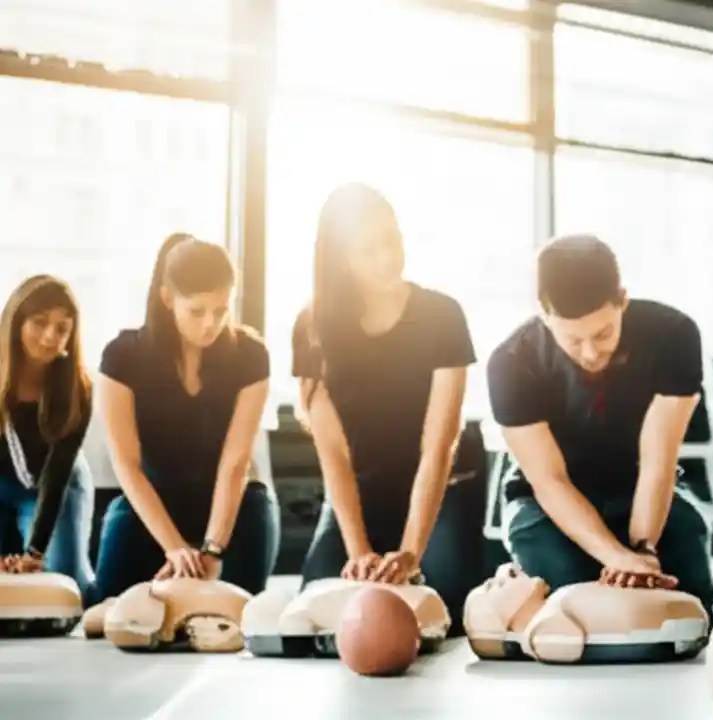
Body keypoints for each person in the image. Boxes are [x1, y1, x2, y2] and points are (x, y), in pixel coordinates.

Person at [487, 234, 713, 614]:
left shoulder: (674, 336)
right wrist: (615, 556)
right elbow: (549, 480)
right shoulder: (510, 363)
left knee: (688, 596)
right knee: (572, 595)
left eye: (603, 333)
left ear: (622, 300)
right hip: (543, 500)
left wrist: (642, 553)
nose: (591, 352)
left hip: (636, 487)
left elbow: (658, 462)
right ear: (545, 316)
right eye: (573, 340)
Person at [292, 183, 483, 625]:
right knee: (321, 610)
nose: (387, 257)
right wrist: (360, 557)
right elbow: (334, 455)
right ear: (341, 258)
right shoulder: (312, 327)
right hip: (360, 493)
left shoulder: (444, 315)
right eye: (368, 249)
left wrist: (411, 554)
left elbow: (439, 447)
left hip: (442, 490)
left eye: (391, 240)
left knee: (440, 612)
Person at [94, 233, 279, 601]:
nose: (210, 324)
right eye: (197, 311)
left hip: (234, 510)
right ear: (167, 298)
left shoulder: (251, 357)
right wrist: (176, 549)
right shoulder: (121, 357)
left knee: (233, 607)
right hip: (152, 508)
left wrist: (212, 550)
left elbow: (235, 463)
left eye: (221, 310)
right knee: (108, 605)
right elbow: (127, 466)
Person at [0, 275, 96, 597]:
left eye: (62, 328)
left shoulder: (77, 388)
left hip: (57, 483)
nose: (48, 337)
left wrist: (35, 553)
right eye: (39, 323)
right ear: (16, 322)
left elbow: (57, 474)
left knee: (66, 586)